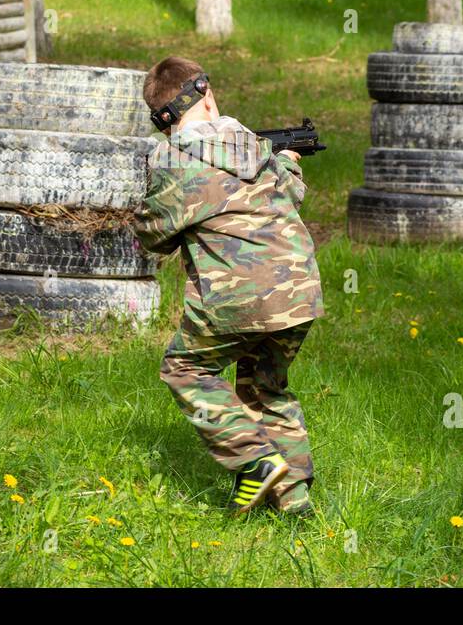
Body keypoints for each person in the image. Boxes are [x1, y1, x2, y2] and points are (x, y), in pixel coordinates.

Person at [133, 56, 324, 515]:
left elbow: (153, 236)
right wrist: (289, 163)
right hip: (298, 292)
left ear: (165, 122)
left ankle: (255, 463)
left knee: (185, 371)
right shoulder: (254, 147)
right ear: (208, 95)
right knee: (265, 387)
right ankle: (294, 500)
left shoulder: (173, 158)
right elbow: (292, 193)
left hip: (237, 297)